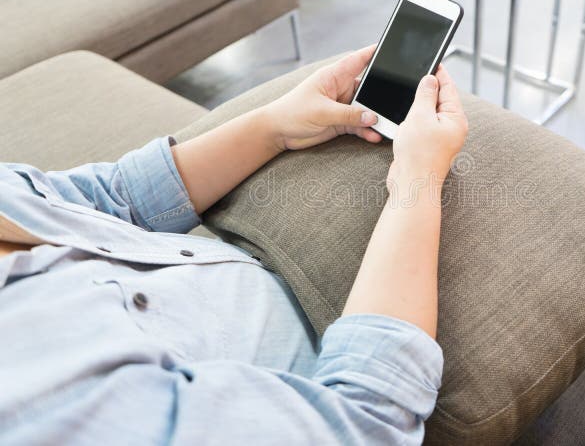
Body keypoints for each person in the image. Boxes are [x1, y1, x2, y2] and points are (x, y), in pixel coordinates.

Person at [0, 46, 468, 445]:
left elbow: (104, 199)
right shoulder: (45, 398)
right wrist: (419, 177)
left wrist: (275, 126)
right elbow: (365, 424)